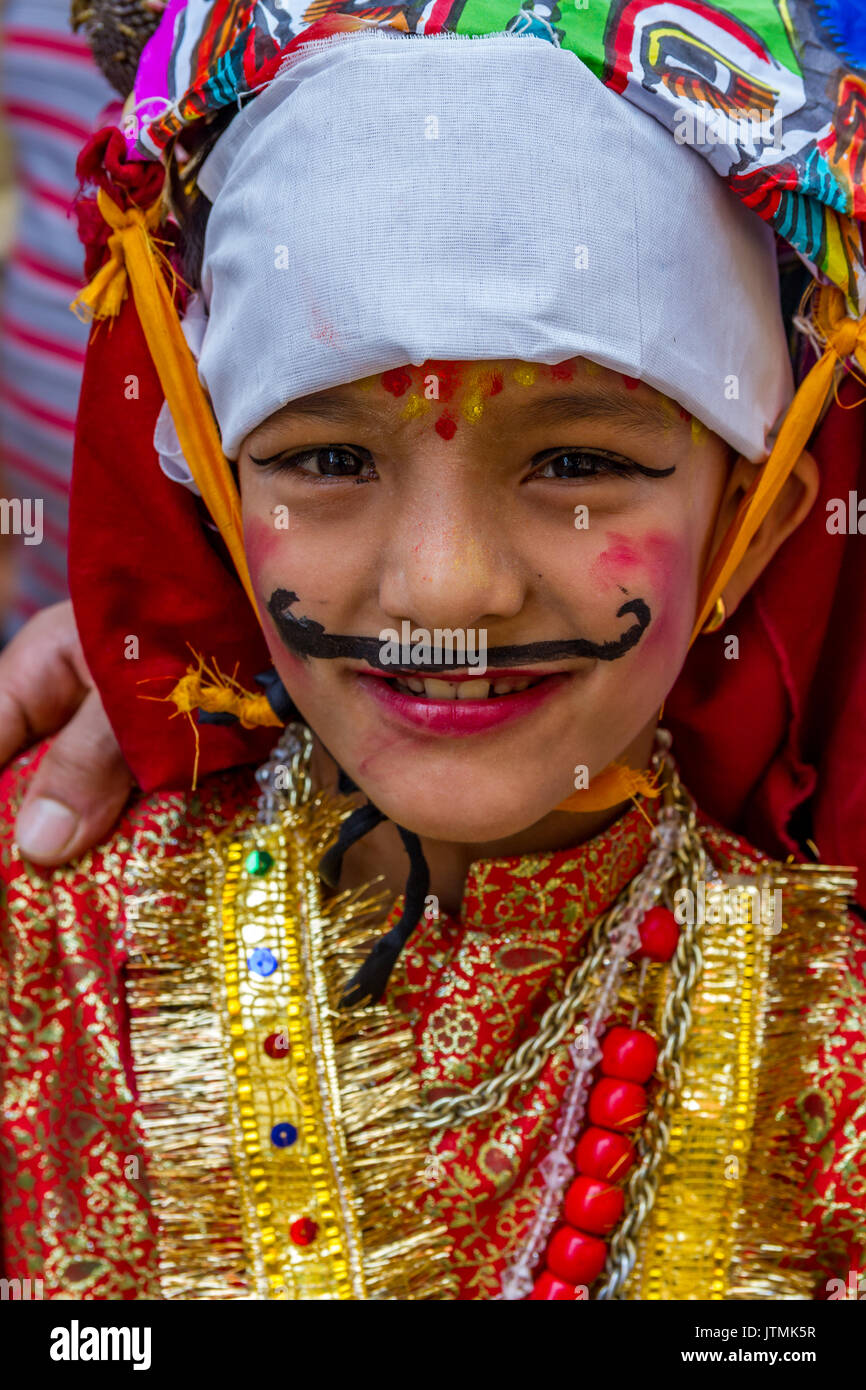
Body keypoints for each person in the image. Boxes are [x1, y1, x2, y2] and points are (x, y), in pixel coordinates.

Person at [1, 0, 865, 1301]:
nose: (445, 581)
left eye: (577, 462)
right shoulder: (50, 941)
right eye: (327, 459)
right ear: (216, 495)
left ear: (749, 524)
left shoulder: (829, 1045)